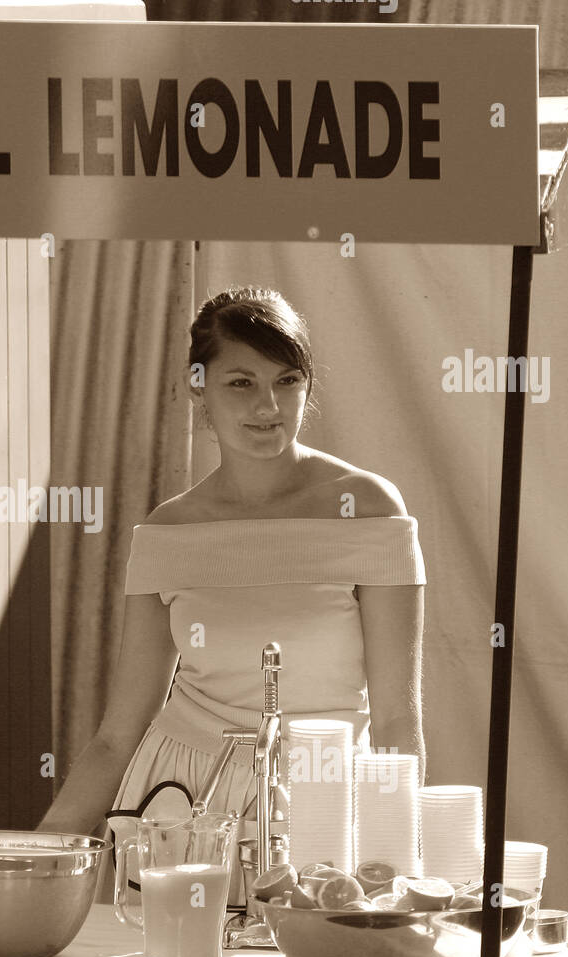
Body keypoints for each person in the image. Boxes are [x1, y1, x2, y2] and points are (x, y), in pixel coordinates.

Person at [35, 286, 426, 901]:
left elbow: (398, 721)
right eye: (240, 382)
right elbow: (119, 732)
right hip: (180, 805)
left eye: (287, 380)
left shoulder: (368, 508)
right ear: (199, 386)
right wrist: (37, 857)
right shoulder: (169, 532)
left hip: (321, 803)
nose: (267, 405)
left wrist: (396, 867)